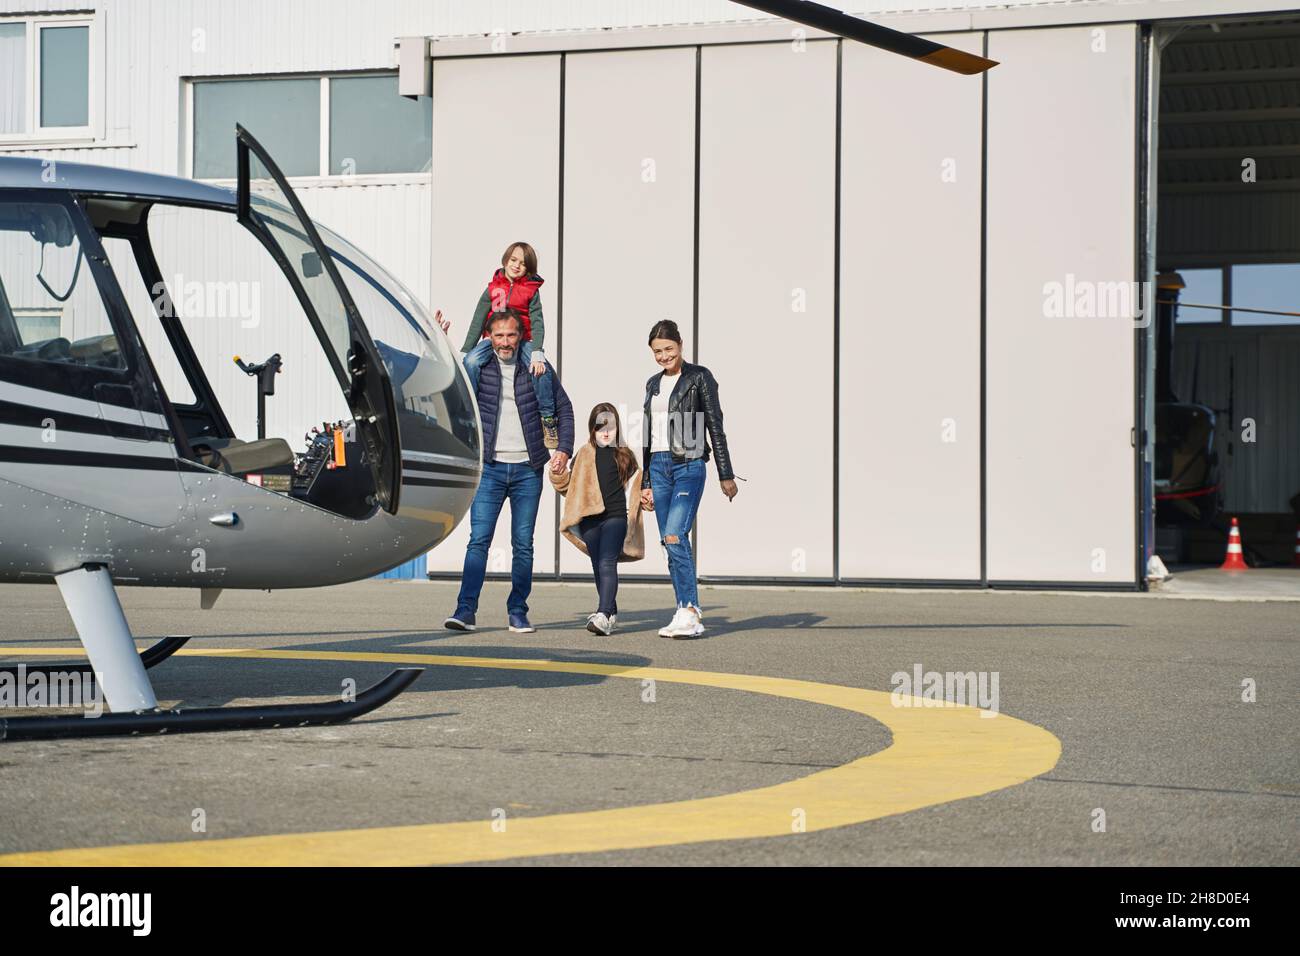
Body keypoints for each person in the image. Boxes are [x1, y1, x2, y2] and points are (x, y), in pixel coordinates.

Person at [444, 309, 574, 633]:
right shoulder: (480, 368)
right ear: (489, 337)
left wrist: (563, 449)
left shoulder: (537, 368)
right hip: (489, 469)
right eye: (499, 336)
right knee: (479, 541)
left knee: (523, 543)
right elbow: (450, 388)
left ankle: (518, 610)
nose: (505, 342)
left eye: (511, 335)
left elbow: (565, 408)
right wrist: (441, 338)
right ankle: (465, 610)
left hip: (528, 470)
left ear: (521, 337)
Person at [640, 319, 738, 639]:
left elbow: (715, 425)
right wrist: (646, 483)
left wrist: (725, 474)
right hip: (658, 466)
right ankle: (683, 608)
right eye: (657, 351)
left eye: (668, 349)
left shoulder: (699, 377)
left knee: (673, 535)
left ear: (681, 345)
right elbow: (648, 435)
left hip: (689, 464)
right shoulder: (653, 384)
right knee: (670, 544)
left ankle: (691, 612)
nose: (664, 356)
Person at [551, 403, 646, 636]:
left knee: (607, 563)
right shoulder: (584, 453)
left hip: (615, 517)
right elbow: (572, 487)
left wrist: (645, 497)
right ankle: (610, 611)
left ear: (617, 429)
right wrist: (556, 473)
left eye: (610, 427)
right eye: (600, 427)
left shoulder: (625, 455)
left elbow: (637, 488)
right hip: (589, 520)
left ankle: (602, 614)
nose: (605, 432)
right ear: (592, 429)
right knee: (597, 566)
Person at [458, 242, 559, 448]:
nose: (516, 266)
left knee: (542, 369)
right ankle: (470, 410)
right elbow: (478, 319)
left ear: (528, 268)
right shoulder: (493, 288)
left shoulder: (531, 291)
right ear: (505, 260)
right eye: (513, 260)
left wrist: (538, 351)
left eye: (522, 263)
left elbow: (538, 321)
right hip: (493, 338)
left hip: (522, 340)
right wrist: (467, 349)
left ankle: (547, 418)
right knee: (471, 362)